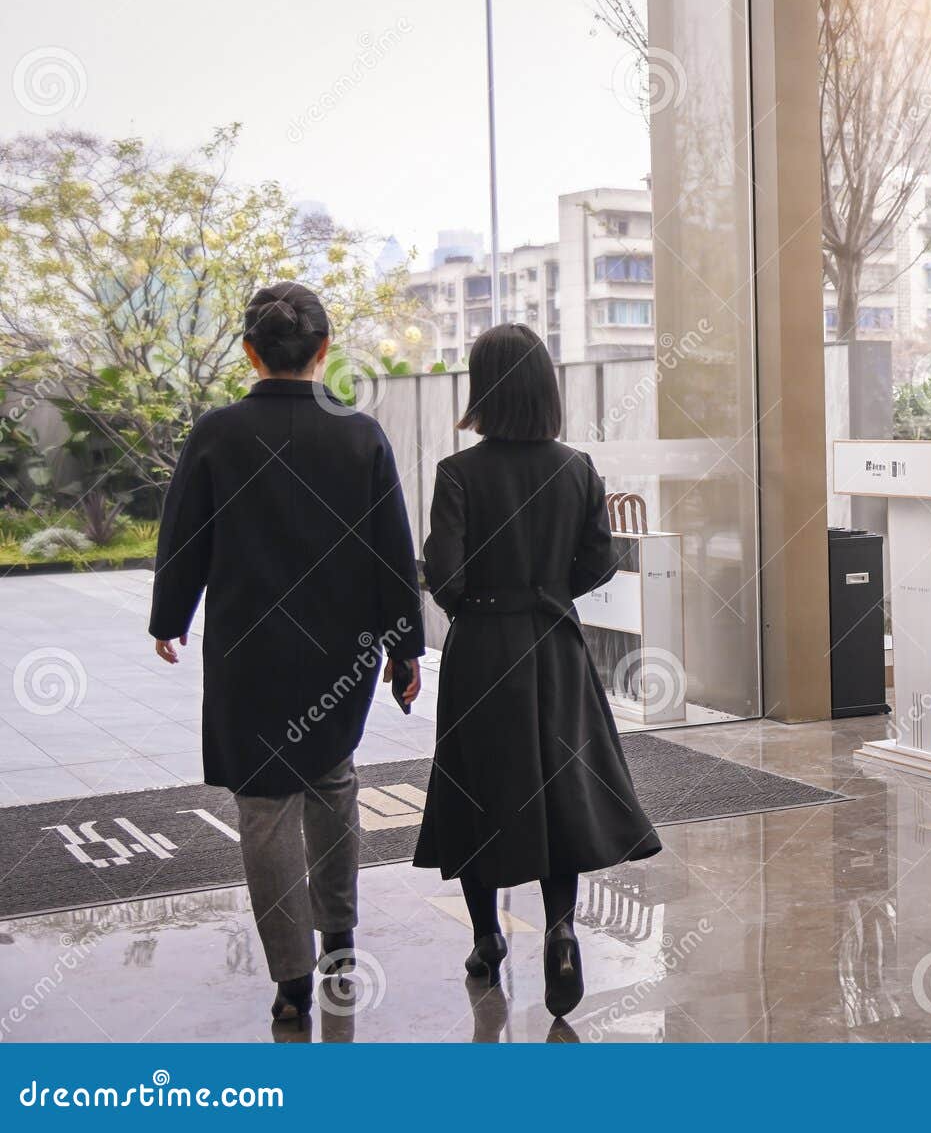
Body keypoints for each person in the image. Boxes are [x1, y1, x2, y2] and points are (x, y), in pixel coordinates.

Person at [149, 282, 424, 1022]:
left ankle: (292, 984)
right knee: (332, 778)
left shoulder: (217, 433)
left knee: (265, 804)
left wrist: (168, 617)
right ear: (324, 350)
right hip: (341, 650)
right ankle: (339, 938)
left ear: (249, 351)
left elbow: (184, 538)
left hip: (250, 651)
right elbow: (392, 553)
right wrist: (404, 649)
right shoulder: (360, 435)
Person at [412, 322, 662, 1016]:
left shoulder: (458, 473)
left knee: (477, 791)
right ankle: (560, 929)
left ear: (482, 388)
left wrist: (483, 601)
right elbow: (599, 560)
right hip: (555, 644)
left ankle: (488, 937)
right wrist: (549, 591)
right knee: (559, 793)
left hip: (483, 652)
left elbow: (445, 576)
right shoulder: (577, 466)